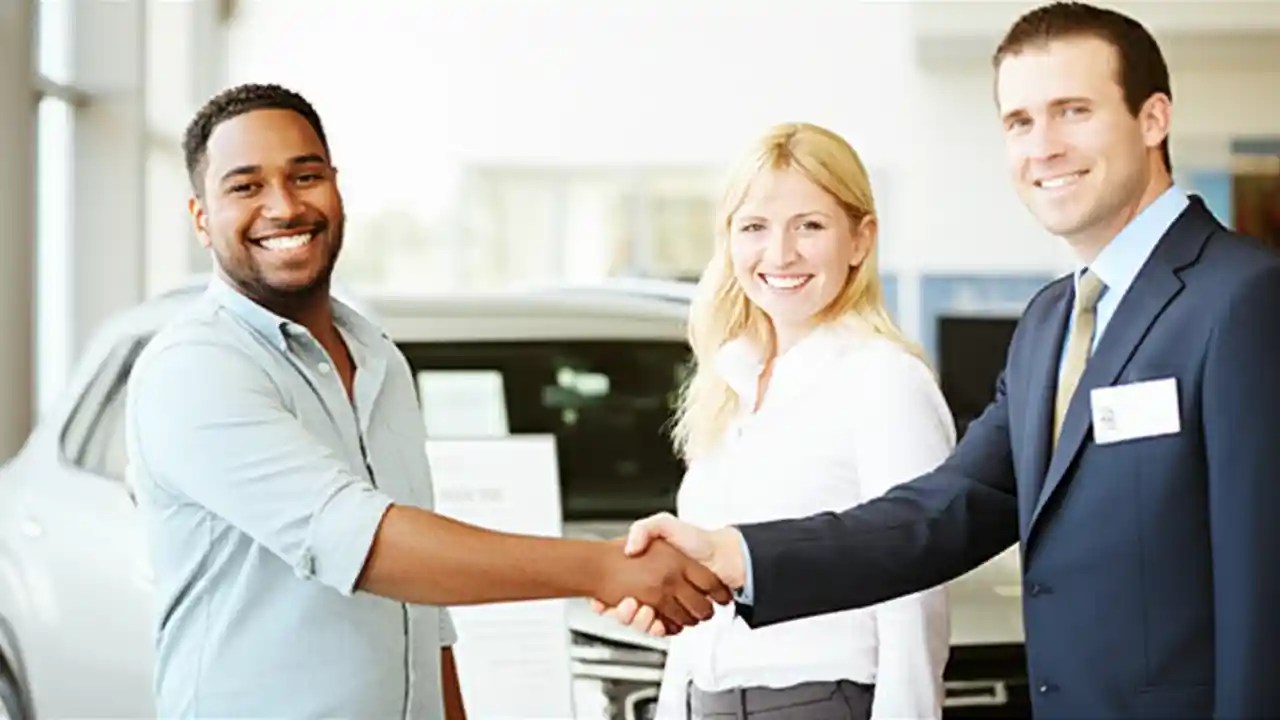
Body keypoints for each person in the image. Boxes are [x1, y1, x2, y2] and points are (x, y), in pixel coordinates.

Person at [605, 3, 1280, 718]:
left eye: (1072, 111)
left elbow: (1265, 583)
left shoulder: (1242, 300)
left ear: (1153, 119)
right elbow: (945, 512)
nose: (1042, 146)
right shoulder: (1051, 320)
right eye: (1019, 122)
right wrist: (731, 553)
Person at [124, 83, 730, 720]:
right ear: (199, 217)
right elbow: (370, 547)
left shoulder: (377, 356)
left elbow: (420, 611)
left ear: (335, 186)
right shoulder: (194, 369)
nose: (284, 205)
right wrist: (602, 567)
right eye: (245, 186)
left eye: (305, 176)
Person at [616, 122, 953, 719]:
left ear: (860, 240)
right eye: (754, 228)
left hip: (817, 703)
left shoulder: (884, 380)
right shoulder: (727, 384)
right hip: (707, 701)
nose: (780, 254)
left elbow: (915, 600)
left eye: (810, 226)